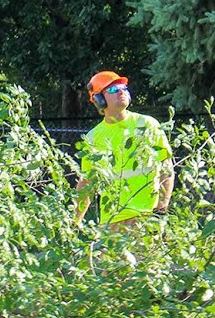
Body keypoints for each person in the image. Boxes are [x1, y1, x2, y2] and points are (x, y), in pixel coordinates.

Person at [74, 70, 174, 233]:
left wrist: (161, 210)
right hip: (111, 221)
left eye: (123, 88)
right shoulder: (93, 138)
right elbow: (87, 184)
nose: (121, 91)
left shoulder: (147, 125)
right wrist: (74, 222)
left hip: (146, 217)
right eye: (113, 90)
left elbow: (166, 168)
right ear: (99, 100)